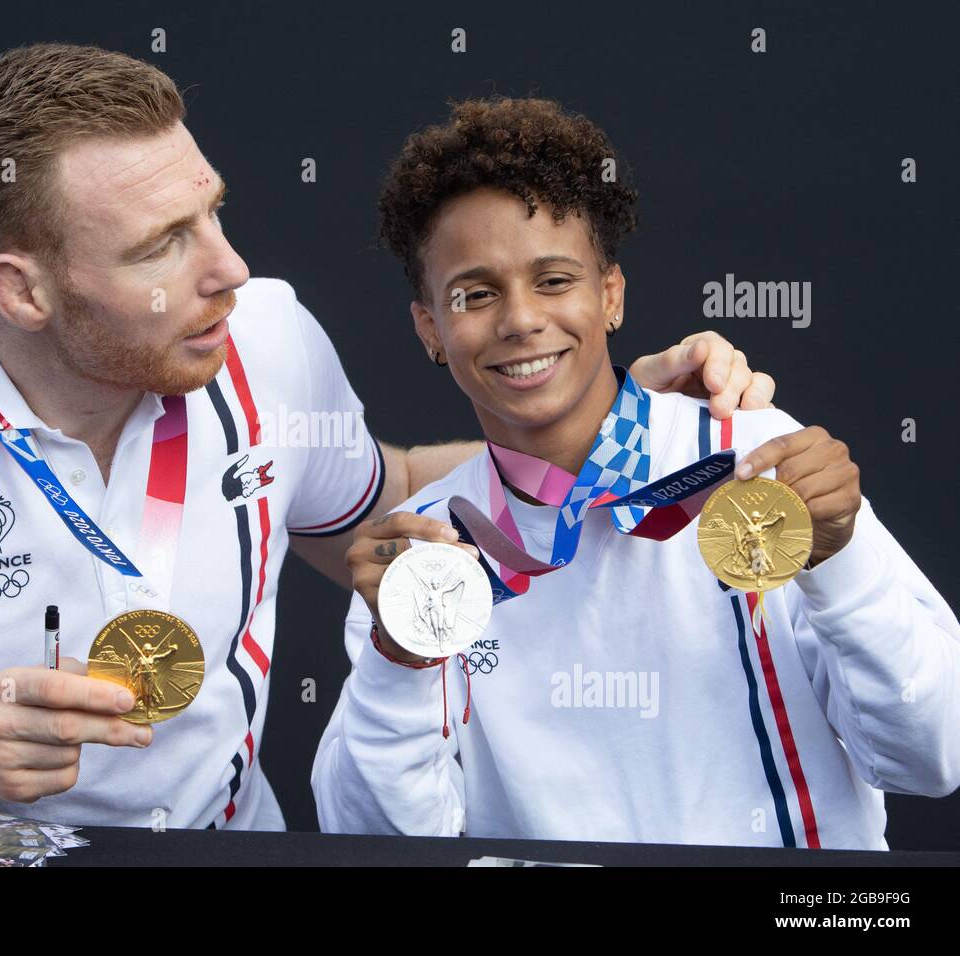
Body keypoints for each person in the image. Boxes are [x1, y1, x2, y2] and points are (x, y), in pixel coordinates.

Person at [0, 45, 770, 830]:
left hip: (231, 848)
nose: (228, 267)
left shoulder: (256, 334)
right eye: (162, 245)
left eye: (211, 211)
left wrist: (612, 411)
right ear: (22, 289)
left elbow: (380, 503)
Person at [312, 96, 960, 849]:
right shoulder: (423, 553)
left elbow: (930, 755)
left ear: (610, 295)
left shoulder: (753, 456)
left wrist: (840, 564)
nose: (520, 319)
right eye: (476, 293)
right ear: (430, 327)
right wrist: (400, 660)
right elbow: (378, 846)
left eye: (554, 280)